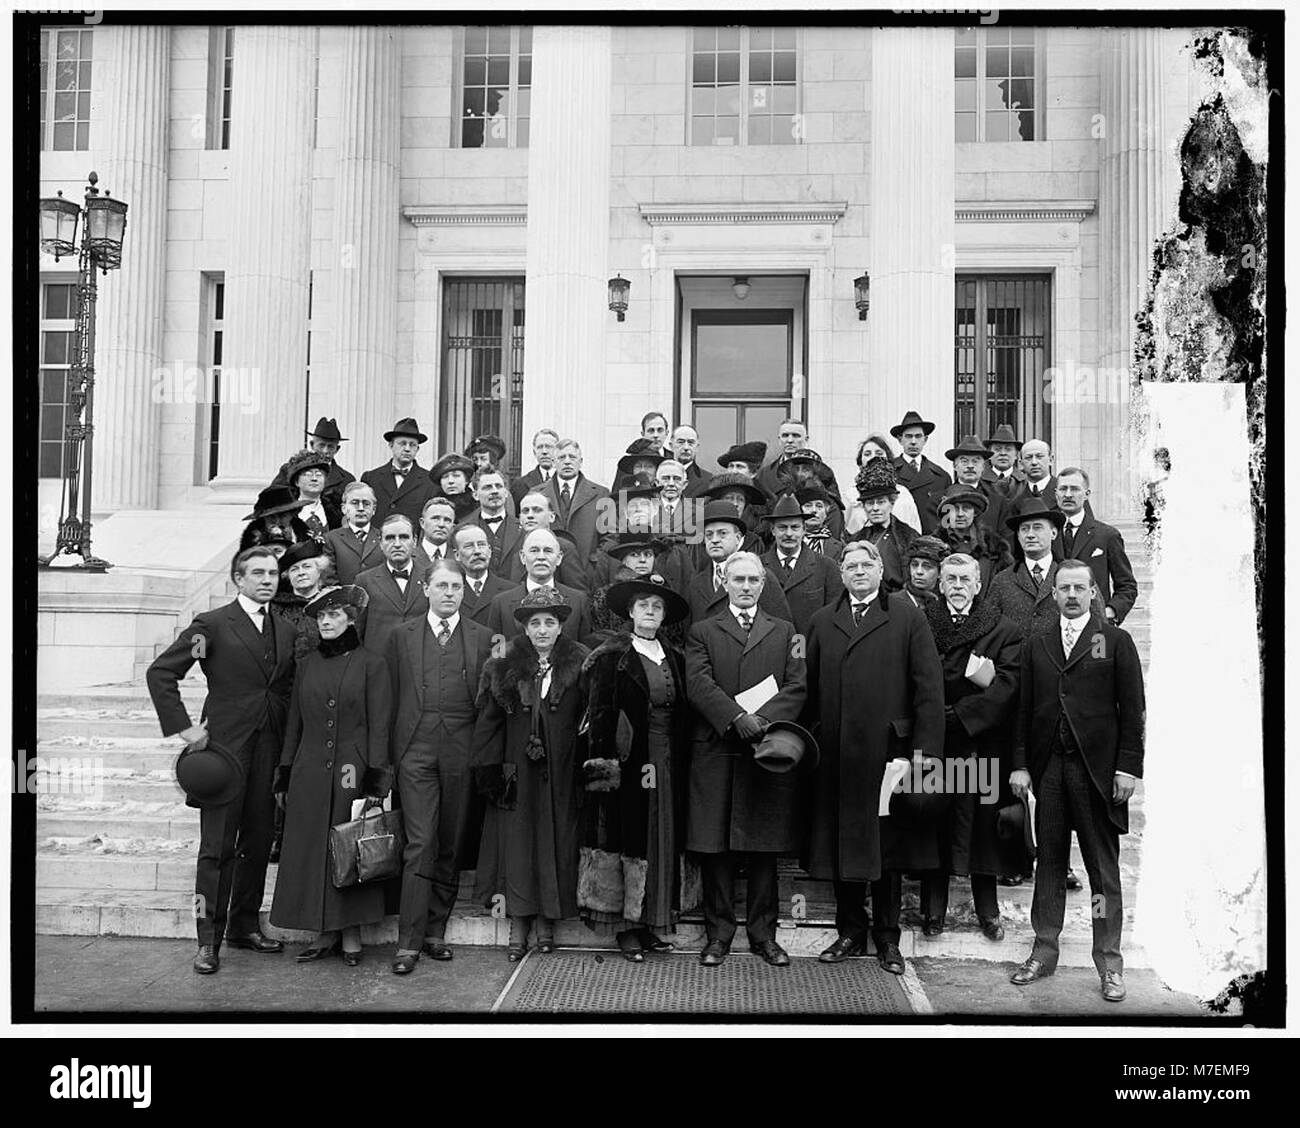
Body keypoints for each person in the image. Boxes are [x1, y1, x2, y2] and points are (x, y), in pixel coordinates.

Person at [146, 547, 297, 974]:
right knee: (216, 849)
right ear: (238, 578)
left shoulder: (285, 629)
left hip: (270, 751)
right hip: (225, 754)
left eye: (273, 573)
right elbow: (162, 672)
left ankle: (245, 927)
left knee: (256, 842)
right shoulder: (211, 626)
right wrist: (185, 727)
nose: (268, 579)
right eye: (258, 573)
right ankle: (207, 940)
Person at [803, 540, 944, 977]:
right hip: (839, 756)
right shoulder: (822, 621)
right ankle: (849, 931)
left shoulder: (906, 617)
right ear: (840, 573)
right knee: (845, 842)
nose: (859, 572)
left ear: (881, 570)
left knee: (887, 850)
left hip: (890, 755)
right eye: (851, 565)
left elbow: (929, 690)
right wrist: (808, 744)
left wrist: (923, 755)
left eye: (867, 564)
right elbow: (806, 690)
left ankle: (887, 938)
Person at [1010, 560, 1145, 1003]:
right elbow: (1023, 710)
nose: (1071, 594)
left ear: (1092, 593)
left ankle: (1108, 962)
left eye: (1079, 588)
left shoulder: (1115, 641)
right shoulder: (1038, 644)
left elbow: (1133, 710)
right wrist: (1021, 764)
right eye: (1063, 587)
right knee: (1048, 863)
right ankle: (1043, 951)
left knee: (1102, 871)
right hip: (1049, 768)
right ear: (1053, 594)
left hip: (1098, 772)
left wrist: (1128, 767)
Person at [685, 551, 808, 968]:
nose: (746, 587)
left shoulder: (786, 630)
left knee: (763, 849)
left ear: (763, 583)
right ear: (725, 582)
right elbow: (698, 683)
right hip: (718, 749)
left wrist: (762, 720)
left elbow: (797, 686)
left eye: (753, 580)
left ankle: (764, 936)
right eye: (738, 579)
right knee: (716, 848)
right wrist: (736, 718)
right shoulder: (702, 630)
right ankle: (718, 935)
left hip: (765, 750)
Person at [269, 585, 391, 966]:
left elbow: (380, 725)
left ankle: (350, 932)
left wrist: (376, 782)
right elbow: (294, 725)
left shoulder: (373, 664)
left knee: (348, 848)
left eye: (334, 615)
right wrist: (285, 773)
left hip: (351, 772)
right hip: (309, 774)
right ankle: (322, 933)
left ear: (350, 619)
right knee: (312, 852)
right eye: (321, 616)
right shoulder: (307, 665)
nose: (326, 621)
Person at [387, 558, 497, 974]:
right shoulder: (401, 636)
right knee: (421, 842)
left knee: (450, 842)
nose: (450, 592)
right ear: (426, 588)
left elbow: (488, 705)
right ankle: (408, 941)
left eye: (456, 586)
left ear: (464, 591)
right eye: (442, 586)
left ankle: (435, 931)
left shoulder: (483, 637)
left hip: (461, 751)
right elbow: (389, 697)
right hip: (414, 750)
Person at [471, 588, 591, 960]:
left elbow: (591, 718)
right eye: (535, 623)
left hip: (560, 771)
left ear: (560, 627)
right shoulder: (502, 661)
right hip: (516, 770)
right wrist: (490, 770)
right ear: (523, 626)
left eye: (550, 623)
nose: (542, 630)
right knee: (517, 844)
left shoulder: (580, 663)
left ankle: (547, 921)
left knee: (555, 840)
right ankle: (518, 923)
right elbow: (488, 722)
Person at [579, 575, 692, 961]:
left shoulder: (675, 657)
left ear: (663, 616)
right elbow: (599, 716)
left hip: (667, 760)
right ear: (630, 611)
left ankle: (653, 924)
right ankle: (626, 929)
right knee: (629, 838)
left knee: (661, 838)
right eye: (642, 604)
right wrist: (604, 772)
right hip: (627, 764)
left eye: (656, 606)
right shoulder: (611, 657)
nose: (649, 611)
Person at [918, 554, 1026, 941]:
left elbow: (1008, 687)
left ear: (979, 585)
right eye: (951, 579)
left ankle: (988, 911)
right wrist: (935, 717)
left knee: (983, 829)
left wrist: (960, 714)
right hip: (938, 743)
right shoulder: (923, 625)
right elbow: (915, 676)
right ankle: (932, 910)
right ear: (940, 584)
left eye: (966, 578)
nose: (958, 585)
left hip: (981, 741)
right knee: (936, 823)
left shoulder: (1003, 629)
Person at [686, 501, 792, 626]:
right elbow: (691, 635)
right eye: (709, 535)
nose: (714, 540)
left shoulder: (761, 576)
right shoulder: (696, 584)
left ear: (738, 538)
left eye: (722, 533)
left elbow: (784, 629)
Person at [1055, 467, 1138, 623]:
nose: (1067, 494)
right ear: (1056, 494)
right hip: (1054, 625)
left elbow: (1127, 585)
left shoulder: (1107, 535)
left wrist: (1110, 611)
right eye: (1063, 489)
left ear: (1086, 494)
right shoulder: (1047, 534)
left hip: (1096, 625)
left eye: (1074, 489)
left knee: (1098, 649)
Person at [486, 528, 593, 643]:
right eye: (534, 550)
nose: (541, 557)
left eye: (548, 551)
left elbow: (585, 654)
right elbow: (496, 655)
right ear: (522, 557)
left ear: (559, 558)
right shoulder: (501, 603)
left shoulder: (578, 601)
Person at [760, 492, 843, 638]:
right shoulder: (757, 566)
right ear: (773, 530)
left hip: (810, 649)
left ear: (804, 529)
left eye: (795, 527)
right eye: (782, 528)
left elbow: (835, 615)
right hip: (769, 649)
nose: (789, 533)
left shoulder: (826, 567)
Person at [984, 497, 1065, 641]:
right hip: (1015, 661)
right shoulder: (1002, 581)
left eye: (1038, 527)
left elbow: (1097, 626)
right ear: (1018, 536)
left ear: (1053, 533)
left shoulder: (1072, 576)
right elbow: (988, 631)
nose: (1030, 535)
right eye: (1024, 529)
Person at [354, 514, 429, 655]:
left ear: (415, 541)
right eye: (390, 538)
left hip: (421, 661)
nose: (397, 544)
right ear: (380, 544)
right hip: (379, 666)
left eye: (404, 537)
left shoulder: (431, 576)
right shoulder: (364, 581)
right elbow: (358, 629)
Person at [538, 439, 611, 569]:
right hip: (548, 570)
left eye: (572, 457)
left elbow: (610, 536)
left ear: (580, 462)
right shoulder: (537, 494)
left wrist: (595, 561)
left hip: (586, 571)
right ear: (554, 462)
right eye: (561, 457)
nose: (567, 461)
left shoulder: (601, 494)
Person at [846, 460, 916, 592]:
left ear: (892, 503)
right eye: (870, 503)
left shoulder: (908, 537)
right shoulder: (855, 539)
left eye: (881, 502)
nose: (875, 508)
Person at [500, 491, 590, 590]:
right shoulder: (516, 548)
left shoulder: (564, 548)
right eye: (525, 511)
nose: (530, 515)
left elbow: (578, 593)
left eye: (537, 510)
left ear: (551, 517)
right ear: (520, 518)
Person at [934, 482, 1014, 591]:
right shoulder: (934, 547)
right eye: (955, 509)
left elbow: (1006, 587)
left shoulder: (995, 548)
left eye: (966, 508)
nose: (960, 514)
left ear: (975, 512)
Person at [360, 418, 434, 528]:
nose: (407, 449)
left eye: (412, 445)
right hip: (377, 542)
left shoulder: (430, 481)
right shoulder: (371, 478)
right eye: (402, 443)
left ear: (417, 449)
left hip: (411, 542)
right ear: (391, 445)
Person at [270, 417, 356, 512]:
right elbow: (272, 500)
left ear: (337, 449)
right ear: (312, 445)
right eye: (321, 445)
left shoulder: (347, 480)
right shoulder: (290, 470)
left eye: (330, 447)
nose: (325, 451)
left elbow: (350, 514)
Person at [846, 433, 922, 534]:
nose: (873, 457)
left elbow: (915, 528)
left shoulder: (903, 494)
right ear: (860, 462)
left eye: (879, 453)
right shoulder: (851, 495)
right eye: (867, 454)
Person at [890, 410, 952, 534]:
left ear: (925, 440)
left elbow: (947, 518)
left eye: (918, 436)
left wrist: (945, 538)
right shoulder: (888, 471)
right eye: (908, 436)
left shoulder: (941, 476)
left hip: (931, 542)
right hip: (897, 539)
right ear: (900, 440)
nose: (913, 441)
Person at [944, 435, 1009, 540]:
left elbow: (1006, 541)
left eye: (975, 461)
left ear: (983, 467)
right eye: (964, 461)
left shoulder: (998, 502)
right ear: (955, 466)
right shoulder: (940, 500)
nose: (970, 466)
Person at [451, 524, 512, 625]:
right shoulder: (450, 593)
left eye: (481, 544)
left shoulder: (510, 591)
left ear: (489, 550)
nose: (477, 551)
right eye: (469, 546)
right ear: (457, 555)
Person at [323, 482, 383, 584]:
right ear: (344, 508)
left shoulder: (384, 537)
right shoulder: (331, 539)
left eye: (366, 503)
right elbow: (329, 579)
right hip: (344, 598)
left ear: (374, 509)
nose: (360, 508)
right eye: (354, 503)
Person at [462, 467, 518, 574]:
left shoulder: (522, 529)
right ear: (475, 495)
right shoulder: (463, 530)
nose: (494, 491)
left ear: (506, 492)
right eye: (487, 487)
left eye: (498, 486)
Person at [283, 448, 343, 543]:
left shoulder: (337, 511)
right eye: (308, 474)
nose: (314, 478)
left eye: (319, 474)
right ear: (296, 481)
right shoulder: (286, 513)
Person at [239, 485, 312, 554]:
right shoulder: (252, 544)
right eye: (271, 517)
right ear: (263, 518)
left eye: (282, 516)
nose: (277, 522)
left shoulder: (307, 539)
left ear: (292, 514)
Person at [510, 428, 560, 506]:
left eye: (549, 447)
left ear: (558, 451)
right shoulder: (520, 485)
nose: (544, 452)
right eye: (540, 447)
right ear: (534, 452)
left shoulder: (567, 482)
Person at [796, 482, 845, 561]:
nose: (814, 510)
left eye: (819, 506)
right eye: (808, 506)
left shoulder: (839, 547)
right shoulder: (789, 541)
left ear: (826, 512)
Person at [1003, 439, 1058, 508]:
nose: (1034, 462)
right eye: (1028, 458)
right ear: (1021, 463)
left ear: (1051, 459)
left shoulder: (1062, 490)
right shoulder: (1013, 494)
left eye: (1039, 456)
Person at [429, 452, 479, 523]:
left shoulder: (477, 506)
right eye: (445, 477)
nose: (450, 481)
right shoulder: (432, 508)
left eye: (456, 476)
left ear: (467, 480)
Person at [901, 534, 948, 608]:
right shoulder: (895, 602)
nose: (919, 572)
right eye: (914, 565)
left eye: (927, 566)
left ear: (940, 572)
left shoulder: (948, 602)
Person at [412, 495, 456, 571]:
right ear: (422, 523)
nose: (441, 524)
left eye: (447, 520)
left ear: (453, 527)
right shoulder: (409, 558)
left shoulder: (459, 559)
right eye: (435, 519)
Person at [983, 423, 1026, 492]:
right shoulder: (979, 481)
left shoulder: (1025, 483)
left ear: (1016, 455)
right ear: (989, 454)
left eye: (1008, 449)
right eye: (997, 449)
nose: (1003, 453)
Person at [671, 424, 711, 489]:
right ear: (671, 445)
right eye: (681, 442)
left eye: (691, 443)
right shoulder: (658, 476)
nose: (686, 447)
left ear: (697, 447)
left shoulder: (708, 480)